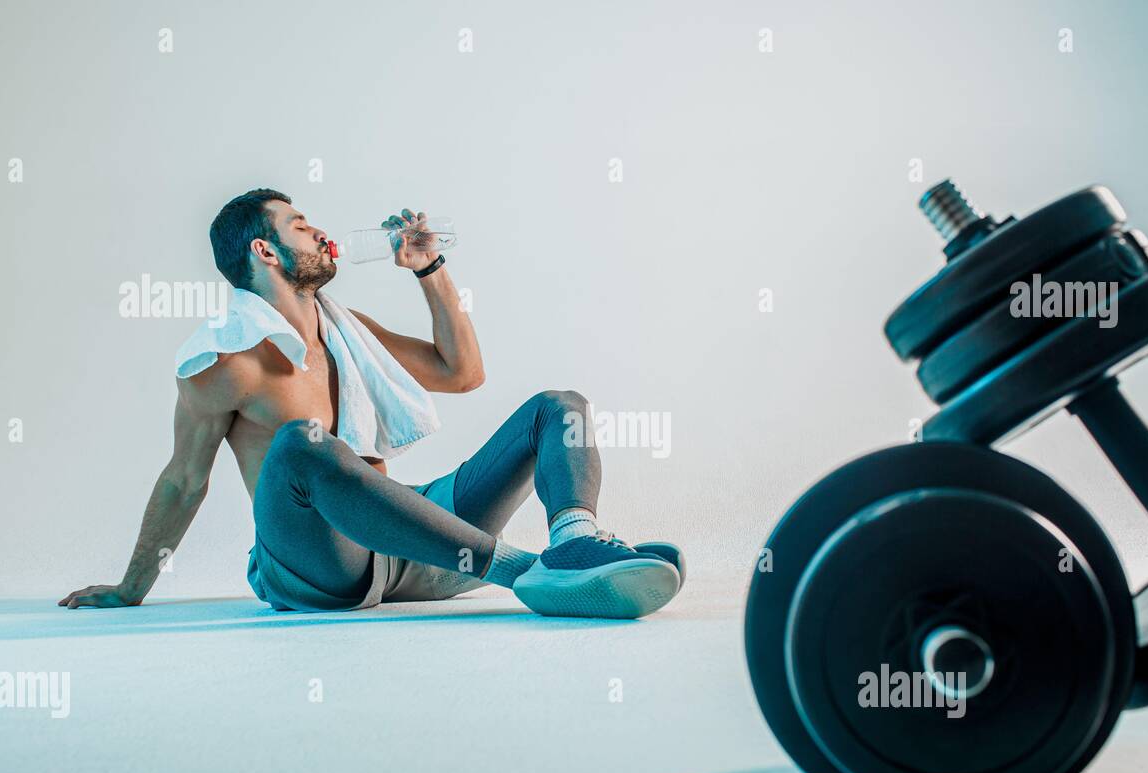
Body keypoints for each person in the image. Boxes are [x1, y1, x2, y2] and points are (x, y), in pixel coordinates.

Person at [60, 189, 682, 618]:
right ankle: (530, 572)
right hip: (321, 566)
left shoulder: (344, 329)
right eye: (300, 225)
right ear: (264, 251)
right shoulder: (228, 362)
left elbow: (461, 372)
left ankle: (574, 543)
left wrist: (429, 267)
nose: (321, 232)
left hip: (416, 554)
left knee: (558, 407)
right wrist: (129, 588)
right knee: (303, 445)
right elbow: (182, 480)